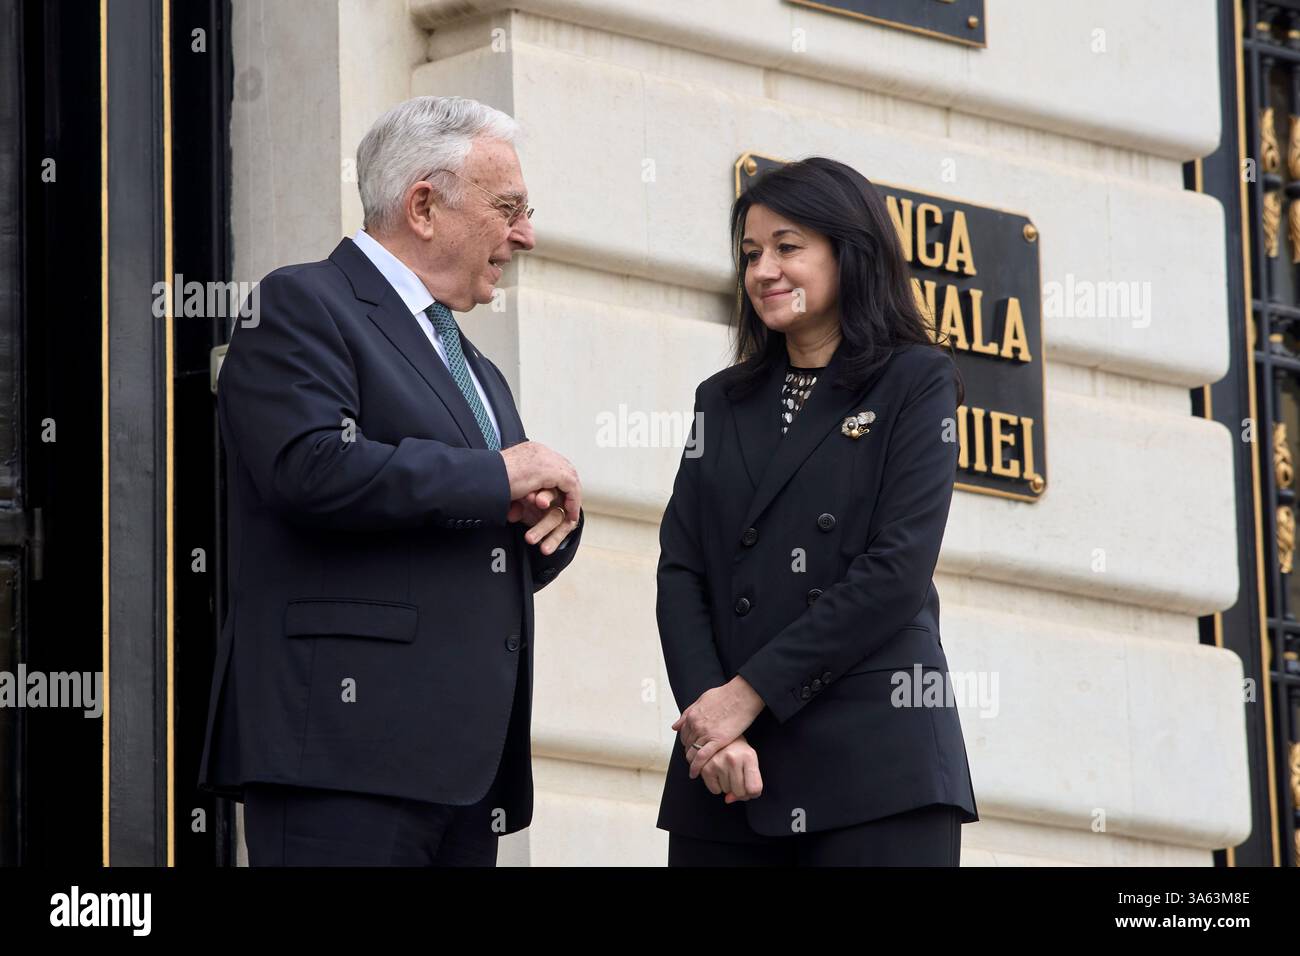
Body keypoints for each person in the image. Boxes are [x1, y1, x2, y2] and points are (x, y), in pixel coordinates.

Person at [198, 95, 584, 866]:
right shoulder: (302, 302)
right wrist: (498, 474)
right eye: (508, 207)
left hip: (463, 776)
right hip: (343, 758)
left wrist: (550, 522)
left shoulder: (476, 368)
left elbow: (479, 519)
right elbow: (311, 468)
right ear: (423, 206)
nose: (526, 234)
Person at [655, 157, 979, 866]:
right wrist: (714, 724)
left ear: (849, 252)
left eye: (787, 247)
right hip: (729, 776)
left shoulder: (916, 380)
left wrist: (748, 695)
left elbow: (894, 573)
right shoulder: (722, 399)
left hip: (875, 767)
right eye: (750, 254)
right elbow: (682, 570)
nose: (764, 269)